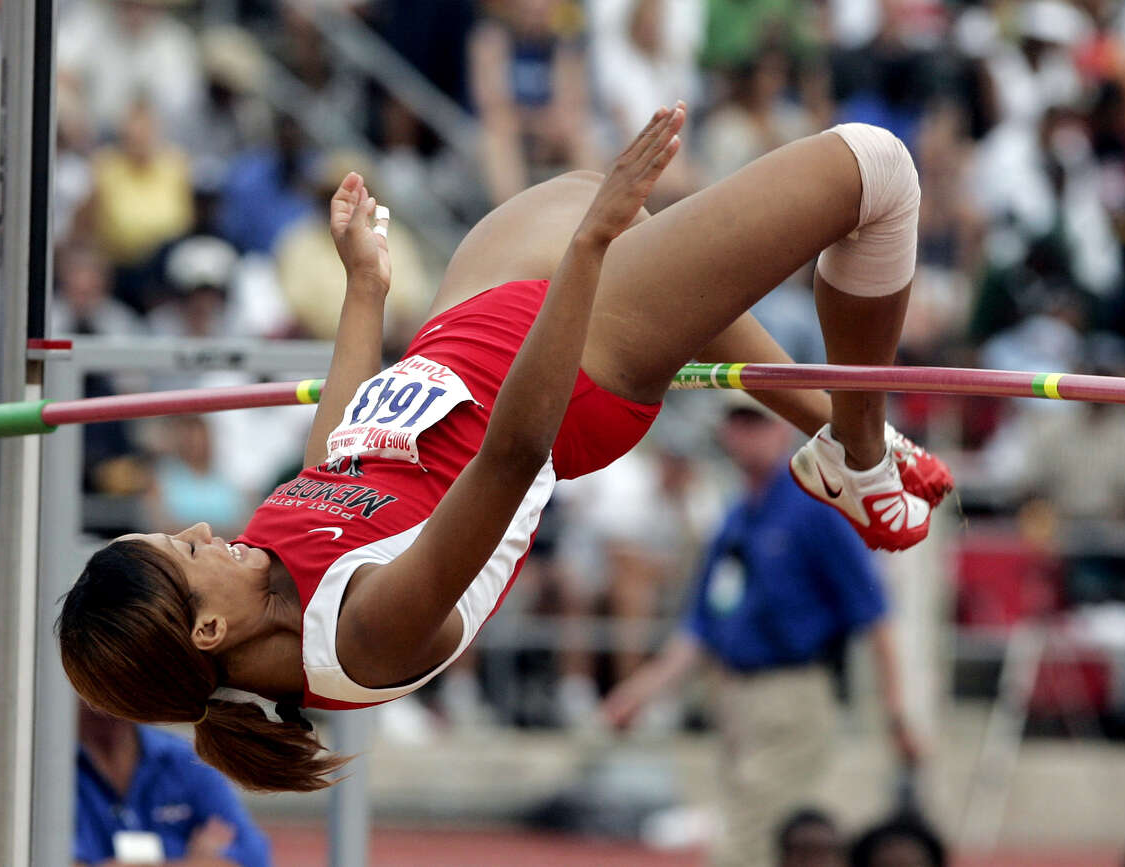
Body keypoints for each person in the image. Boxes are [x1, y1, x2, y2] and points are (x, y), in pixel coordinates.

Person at [57, 105, 952, 792]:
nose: (203, 533)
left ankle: (840, 441)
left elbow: (335, 457)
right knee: (874, 167)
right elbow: (513, 452)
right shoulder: (363, 635)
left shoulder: (257, 575)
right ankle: (859, 448)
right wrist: (588, 254)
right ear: (208, 629)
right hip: (573, 377)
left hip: (465, 333)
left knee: (586, 194)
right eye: (185, 552)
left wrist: (365, 288)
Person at [600, 394, 923, 867]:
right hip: (735, 700)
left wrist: (896, 712)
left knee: (746, 844)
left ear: (783, 430)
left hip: (791, 694)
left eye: (756, 422)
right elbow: (701, 625)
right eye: (737, 422)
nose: (744, 434)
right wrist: (638, 693)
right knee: (767, 839)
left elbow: (875, 614)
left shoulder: (816, 510)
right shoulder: (736, 516)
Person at [0, 702, 270, 866]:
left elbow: (252, 858)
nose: (112, 679)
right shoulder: (21, 770)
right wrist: (191, 861)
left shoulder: (186, 760)